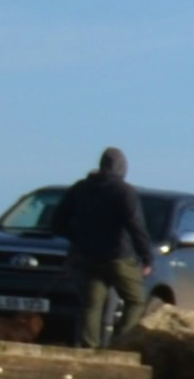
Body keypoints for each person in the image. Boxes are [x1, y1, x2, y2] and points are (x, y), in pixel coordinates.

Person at [58, 148, 157, 351]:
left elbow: (57, 221)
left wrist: (78, 239)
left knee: (92, 305)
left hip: (89, 256)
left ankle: (88, 348)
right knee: (136, 301)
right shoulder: (124, 191)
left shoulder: (81, 188)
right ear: (122, 168)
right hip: (119, 256)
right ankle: (121, 343)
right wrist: (146, 257)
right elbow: (135, 225)